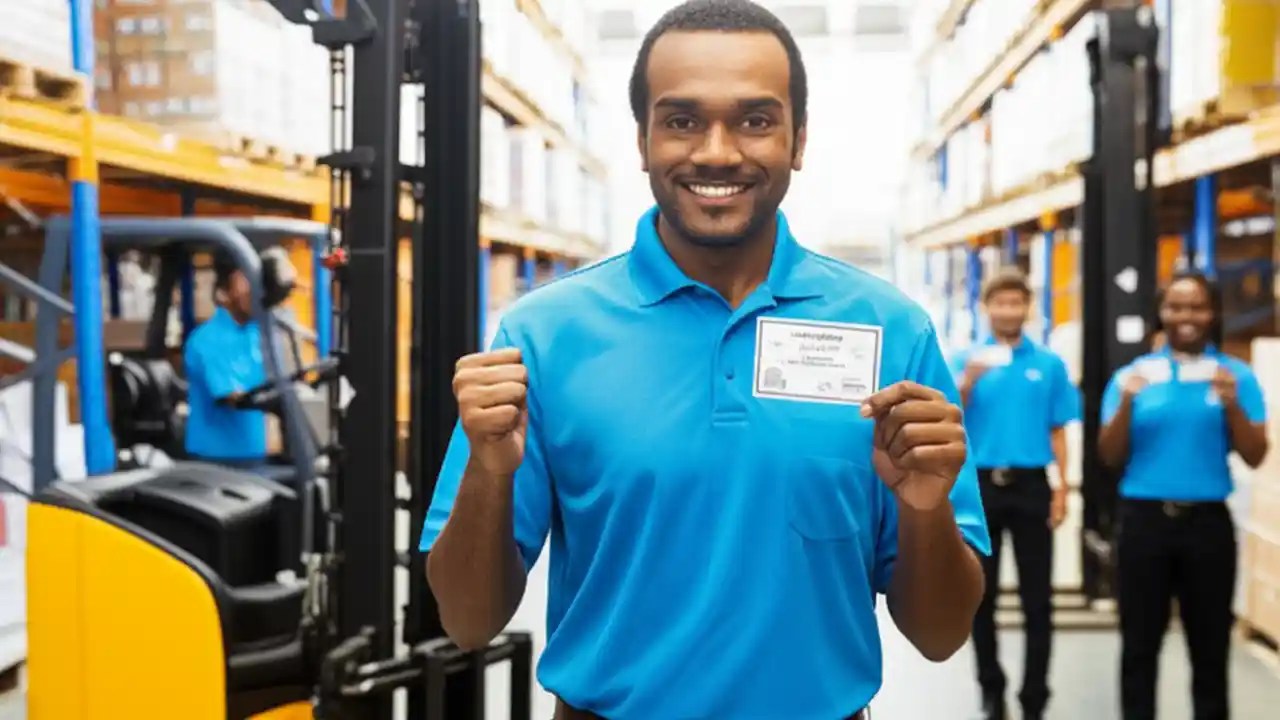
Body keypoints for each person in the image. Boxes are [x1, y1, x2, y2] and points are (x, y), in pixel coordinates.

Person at [420, 2, 991, 718]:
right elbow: (468, 621)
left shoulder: (890, 332)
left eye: (755, 120)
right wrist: (488, 475)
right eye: (682, 120)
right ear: (643, 139)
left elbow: (939, 635)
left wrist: (926, 509)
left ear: (798, 139)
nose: (717, 152)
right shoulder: (543, 335)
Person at [1098, 271, 1269, 720]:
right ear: (1162, 313)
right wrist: (1128, 403)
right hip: (1143, 523)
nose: (1186, 316)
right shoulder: (1132, 377)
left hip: (1207, 524)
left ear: (1212, 314)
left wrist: (1231, 404)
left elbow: (1255, 455)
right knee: (1139, 647)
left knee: (1210, 650)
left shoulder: (1235, 377)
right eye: (1175, 306)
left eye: (1196, 307)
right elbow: (1108, 455)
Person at [950, 268, 1079, 720]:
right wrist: (967, 382)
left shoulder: (1048, 365)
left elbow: (1059, 429)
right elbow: (946, 420)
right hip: (981, 486)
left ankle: (1035, 695)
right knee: (979, 594)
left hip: (1031, 486)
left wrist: (1063, 488)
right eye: (999, 303)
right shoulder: (965, 360)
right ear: (986, 309)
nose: (1008, 310)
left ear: (1027, 307)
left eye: (1016, 302)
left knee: (1037, 598)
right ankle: (991, 688)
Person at [183, 256, 270, 465]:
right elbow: (234, 398)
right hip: (217, 460)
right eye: (245, 280)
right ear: (223, 293)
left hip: (252, 453)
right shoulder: (208, 339)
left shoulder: (255, 332)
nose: (254, 289)